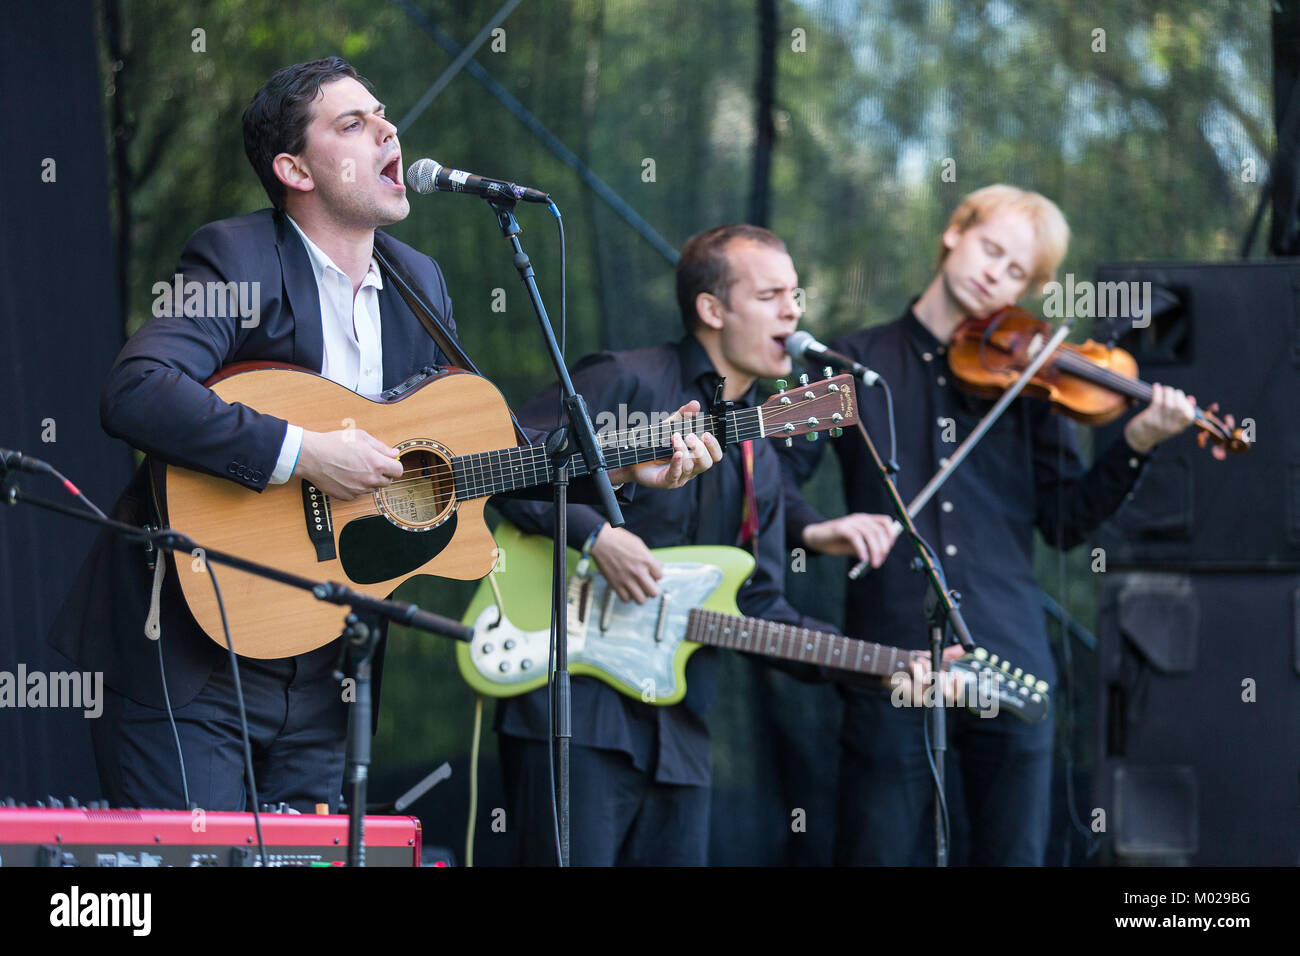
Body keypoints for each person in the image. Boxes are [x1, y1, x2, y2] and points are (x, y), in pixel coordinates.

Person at [48, 57, 716, 816]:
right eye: (352, 124)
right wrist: (304, 452)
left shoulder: (419, 282)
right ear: (294, 169)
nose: (387, 130)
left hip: (329, 658)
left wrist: (621, 467)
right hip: (188, 649)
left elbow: (471, 460)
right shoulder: (236, 258)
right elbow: (136, 391)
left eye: (383, 114)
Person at [779, 184, 1198, 865]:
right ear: (955, 232)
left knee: (1014, 854)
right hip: (893, 661)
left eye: (1015, 272)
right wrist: (816, 530)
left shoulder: (1032, 380)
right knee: (876, 851)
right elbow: (770, 476)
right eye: (989, 249)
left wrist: (1138, 442)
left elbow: (1064, 521)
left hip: (1010, 656)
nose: (993, 274)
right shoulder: (850, 364)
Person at [492, 223, 847, 866]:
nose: (793, 311)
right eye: (771, 295)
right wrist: (596, 536)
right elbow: (503, 472)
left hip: (680, 734)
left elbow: (759, 603)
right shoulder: (624, 379)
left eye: (796, 295)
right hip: (575, 707)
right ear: (712, 309)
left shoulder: (758, 453)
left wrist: (883, 669)